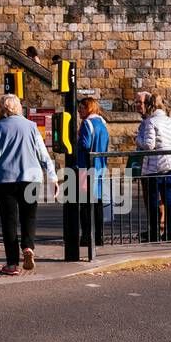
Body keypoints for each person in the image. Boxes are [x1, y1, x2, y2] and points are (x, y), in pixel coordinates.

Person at [0, 93, 59, 275]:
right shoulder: (31, 126)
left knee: (9, 221)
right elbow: (43, 154)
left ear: (2, 108)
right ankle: (28, 247)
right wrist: (52, 177)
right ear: (18, 107)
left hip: (4, 179)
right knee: (29, 216)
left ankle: (12, 264)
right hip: (30, 178)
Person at [136, 92, 171, 241]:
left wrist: (137, 139)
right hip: (170, 164)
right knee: (168, 199)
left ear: (150, 106)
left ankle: (154, 233)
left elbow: (149, 145)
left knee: (153, 200)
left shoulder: (151, 122)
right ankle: (169, 233)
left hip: (155, 166)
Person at [75, 96, 109, 246]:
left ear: (88, 107)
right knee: (98, 203)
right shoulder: (102, 122)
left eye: (81, 108)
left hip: (86, 168)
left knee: (85, 204)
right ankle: (99, 236)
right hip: (100, 167)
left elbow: (85, 144)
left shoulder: (87, 123)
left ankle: (86, 237)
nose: (79, 110)